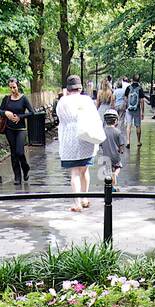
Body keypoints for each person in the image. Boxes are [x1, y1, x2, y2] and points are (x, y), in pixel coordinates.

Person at [55, 75, 104, 212]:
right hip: (86, 138)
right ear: (80, 88)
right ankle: (85, 198)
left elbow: (59, 116)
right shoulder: (87, 100)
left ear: (68, 88)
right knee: (84, 169)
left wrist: (64, 96)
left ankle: (77, 203)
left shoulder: (63, 102)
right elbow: (94, 117)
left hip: (70, 139)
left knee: (75, 172)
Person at [0, 78, 34, 185]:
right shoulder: (6, 99)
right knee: (13, 153)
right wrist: (6, 113)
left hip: (20, 129)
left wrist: (20, 116)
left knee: (19, 152)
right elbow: (0, 111)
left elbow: (32, 113)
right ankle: (17, 177)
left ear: (18, 86)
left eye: (14, 87)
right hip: (9, 129)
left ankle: (25, 167)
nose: (12, 89)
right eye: (10, 87)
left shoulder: (23, 99)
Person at [98, 108, 125, 187]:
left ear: (105, 120)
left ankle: (111, 186)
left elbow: (100, 143)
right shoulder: (118, 132)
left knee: (108, 172)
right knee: (118, 167)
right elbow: (121, 145)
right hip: (115, 156)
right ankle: (115, 174)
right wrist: (121, 150)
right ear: (116, 120)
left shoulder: (102, 131)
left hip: (106, 156)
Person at [124, 75, 144, 147]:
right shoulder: (140, 88)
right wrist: (142, 112)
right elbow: (142, 101)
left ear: (132, 79)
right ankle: (138, 141)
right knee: (138, 125)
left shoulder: (128, 88)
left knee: (128, 125)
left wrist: (127, 106)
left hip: (129, 109)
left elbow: (125, 98)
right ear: (139, 80)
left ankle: (128, 141)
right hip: (137, 109)